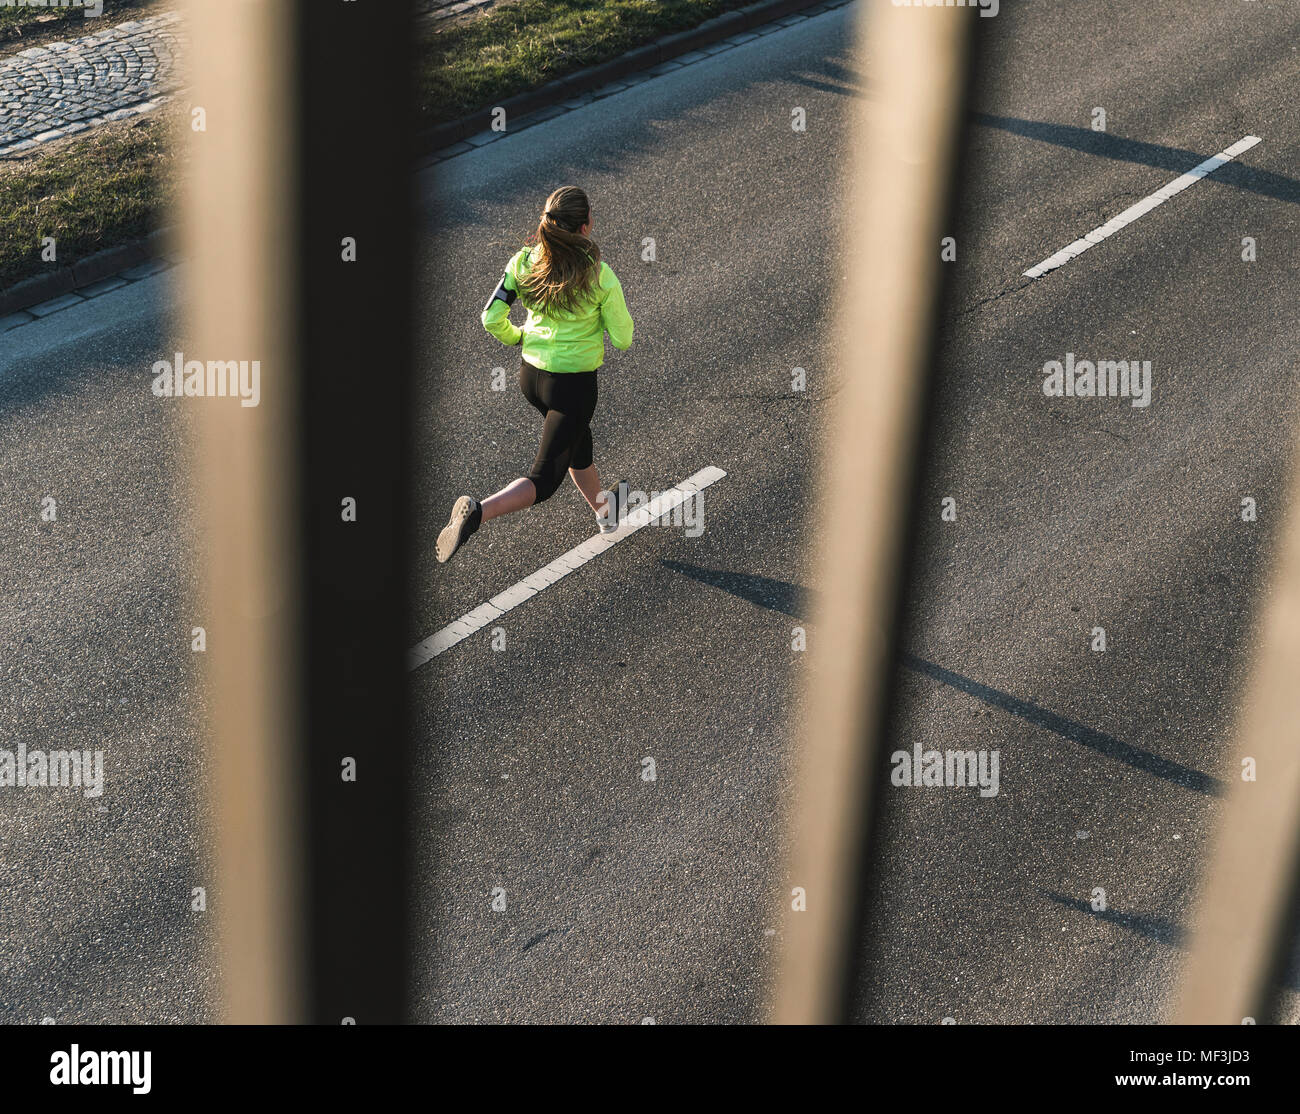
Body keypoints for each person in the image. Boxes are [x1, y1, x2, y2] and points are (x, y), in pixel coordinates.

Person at [436, 185, 635, 564]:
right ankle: (478, 512)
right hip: (572, 386)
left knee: (577, 441)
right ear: (585, 227)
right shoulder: (599, 275)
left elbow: (490, 317)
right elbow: (623, 338)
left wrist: (518, 336)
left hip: (532, 378)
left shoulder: (523, 261)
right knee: (544, 480)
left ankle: (605, 511)